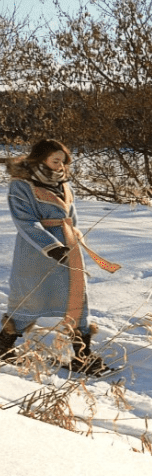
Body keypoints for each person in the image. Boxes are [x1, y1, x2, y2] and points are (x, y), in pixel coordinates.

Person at [1, 139, 113, 375]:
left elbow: (71, 217)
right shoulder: (21, 186)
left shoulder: (63, 185)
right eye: (55, 161)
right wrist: (52, 247)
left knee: (77, 300)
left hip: (69, 250)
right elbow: (25, 222)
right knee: (29, 299)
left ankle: (82, 356)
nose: (60, 166)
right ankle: (3, 347)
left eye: (62, 162)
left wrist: (73, 240)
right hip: (36, 254)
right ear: (40, 159)